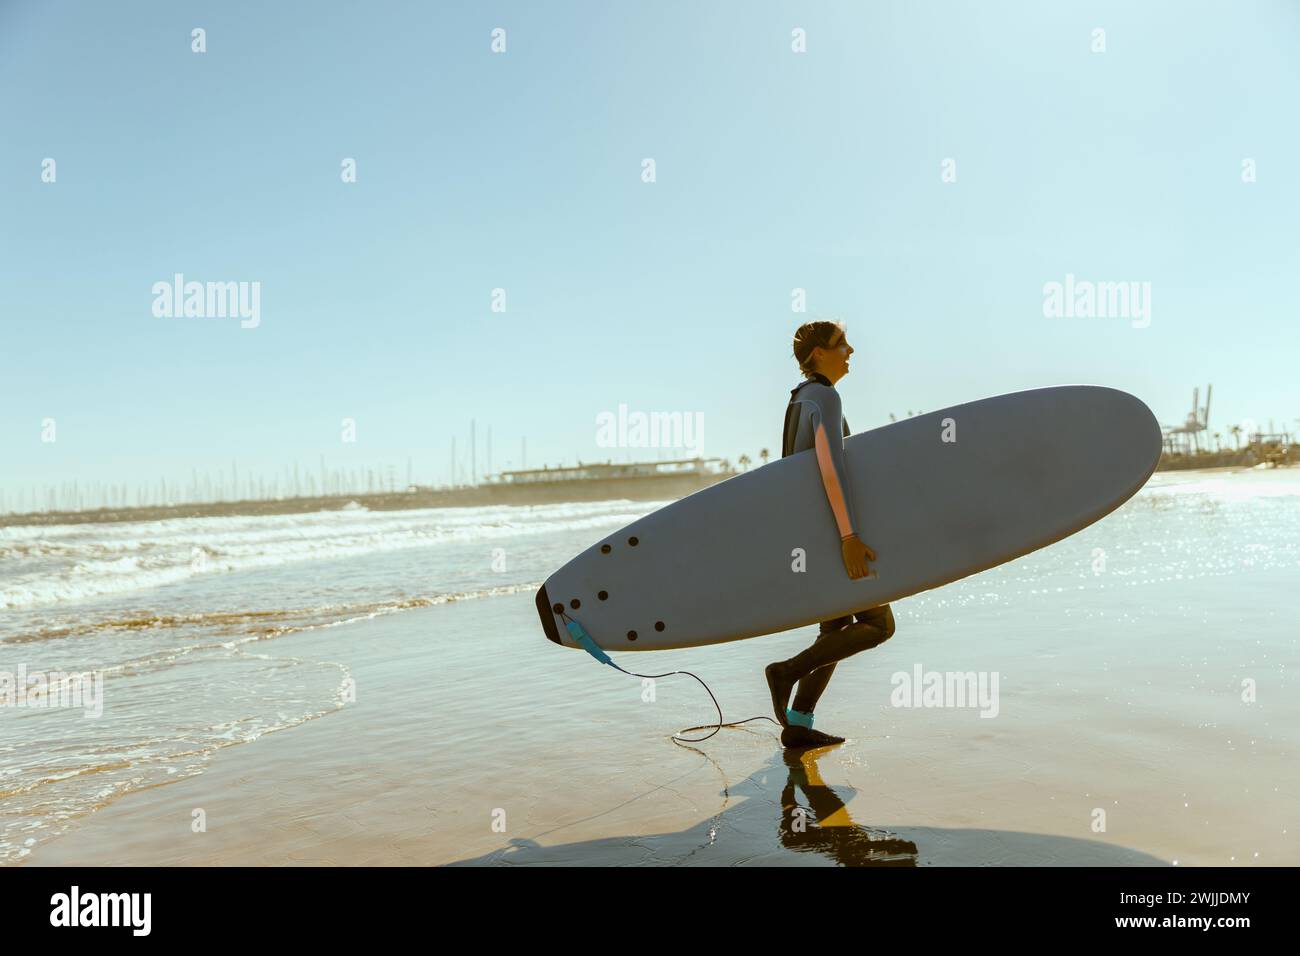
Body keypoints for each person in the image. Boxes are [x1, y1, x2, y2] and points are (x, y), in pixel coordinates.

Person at [765, 320, 896, 749]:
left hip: (809, 535)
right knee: (878, 624)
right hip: (829, 535)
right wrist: (849, 537)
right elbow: (830, 467)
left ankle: (799, 723)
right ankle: (785, 671)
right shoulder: (824, 395)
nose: (851, 351)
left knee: (836, 628)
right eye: (841, 344)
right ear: (818, 353)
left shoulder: (800, 400)